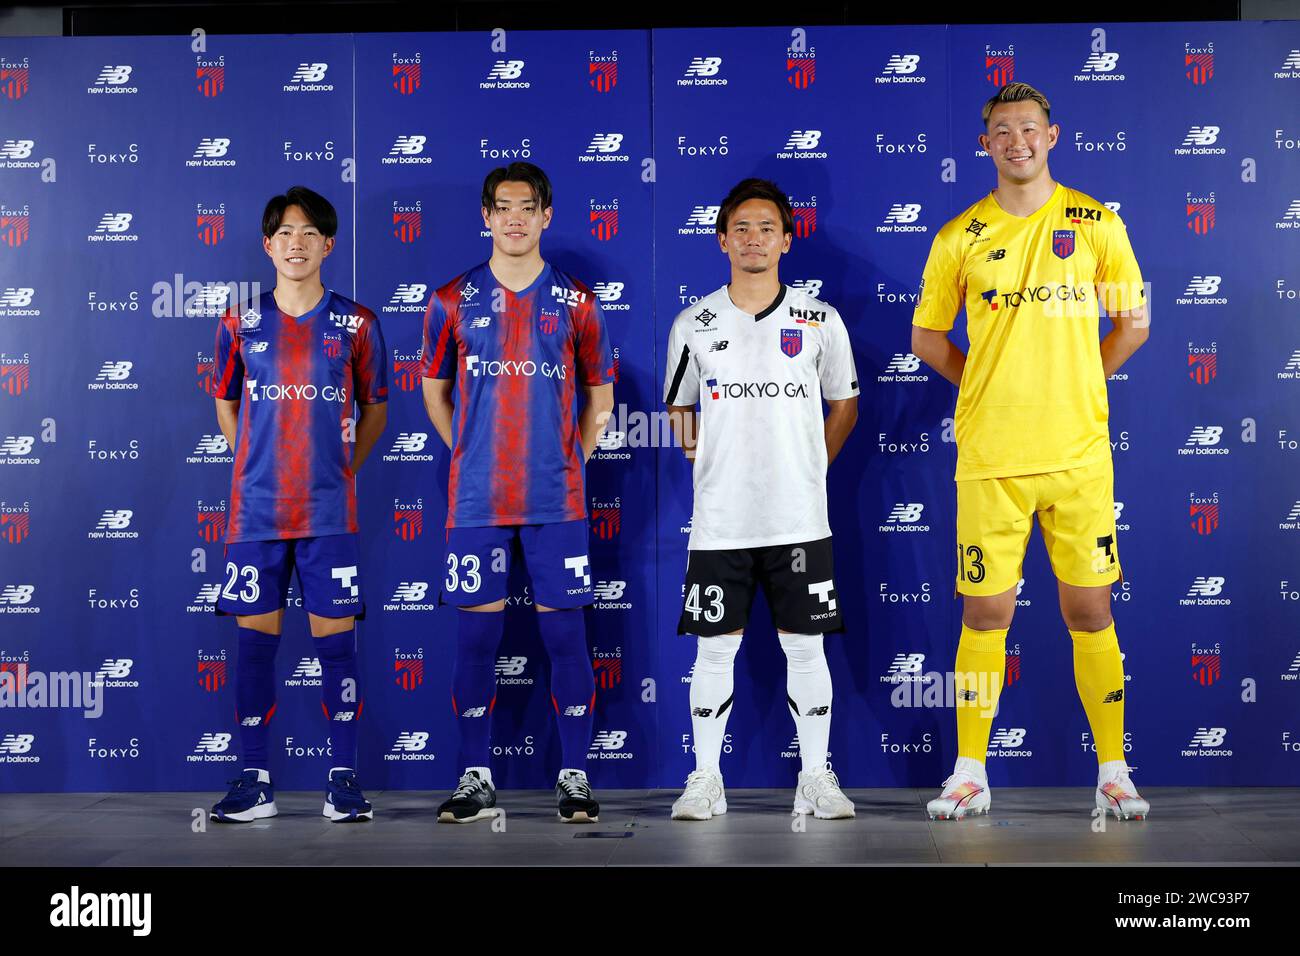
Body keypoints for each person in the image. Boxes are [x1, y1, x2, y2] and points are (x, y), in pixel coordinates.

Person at [911, 82, 1150, 821]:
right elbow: (927, 339)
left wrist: (1076, 381)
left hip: (1078, 456)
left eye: (1030, 129)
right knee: (986, 614)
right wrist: (985, 387)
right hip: (991, 458)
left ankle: (1113, 769)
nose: (1017, 140)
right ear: (985, 144)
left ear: (1054, 136)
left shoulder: (1095, 221)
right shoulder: (959, 235)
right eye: (1002, 131)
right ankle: (970, 772)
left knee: (1089, 608)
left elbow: (1133, 324)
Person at [421, 161, 615, 824]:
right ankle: (475, 775)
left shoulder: (578, 302)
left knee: (566, 639)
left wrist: (566, 461)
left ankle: (575, 777)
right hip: (476, 501)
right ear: (486, 216)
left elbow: (602, 398)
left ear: (546, 215)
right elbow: (434, 394)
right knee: (476, 640)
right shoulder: (451, 299)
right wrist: (474, 455)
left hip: (555, 501)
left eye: (526, 207)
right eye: (502, 207)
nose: (514, 218)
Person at [663, 178, 859, 821]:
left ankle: (816, 778)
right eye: (741, 228)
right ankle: (704, 780)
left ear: (787, 239)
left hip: (799, 517)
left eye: (766, 228)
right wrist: (709, 462)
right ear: (722, 239)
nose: (753, 239)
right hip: (720, 521)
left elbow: (845, 404)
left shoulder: (820, 320)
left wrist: (806, 466)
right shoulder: (694, 323)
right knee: (713, 650)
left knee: (806, 648)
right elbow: (679, 406)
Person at [207, 186, 388, 823]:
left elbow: (377, 410)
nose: (297, 243)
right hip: (256, 515)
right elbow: (227, 403)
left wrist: (340, 470)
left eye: (310, 232)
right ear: (267, 244)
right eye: (285, 232)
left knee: (336, 649)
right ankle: (254, 780)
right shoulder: (239, 321)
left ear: (328, 244)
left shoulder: (359, 324)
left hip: (327, 517)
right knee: (255, 647)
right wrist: (255, 462)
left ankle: (343, 782)